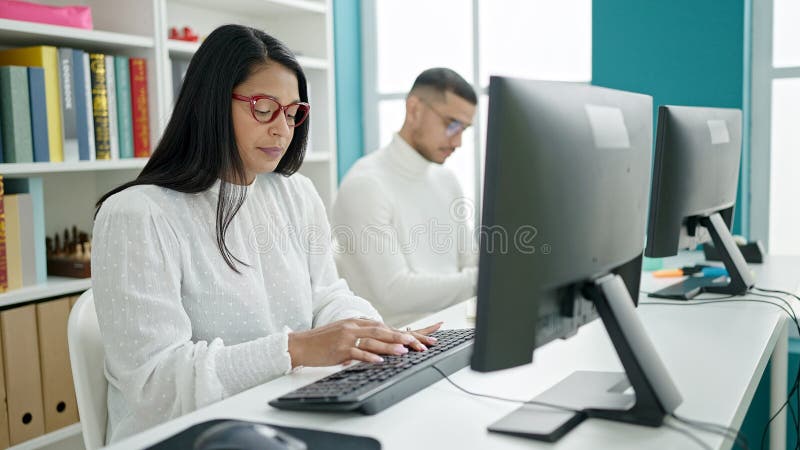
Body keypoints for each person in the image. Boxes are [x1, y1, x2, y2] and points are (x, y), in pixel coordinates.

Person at [91, 25, 439, 444]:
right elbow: (155, 383)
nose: (282, 129)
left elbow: (327, 294)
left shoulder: (295, 193)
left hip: (274, 415)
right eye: (263, 108)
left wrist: (372, 333)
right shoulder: (138, 215)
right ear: (212, 104)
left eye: (292, 112)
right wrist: (295, 349)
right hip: (185, 437)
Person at [332, 68, 479, 328]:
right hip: (396, 350)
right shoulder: (365, 185)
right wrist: (489, 280)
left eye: (464, 129)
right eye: (451, 124)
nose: (458, 142)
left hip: (453, 330)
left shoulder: (447, 180)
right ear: (414, 110)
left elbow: (469, 261)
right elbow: (393, 293)